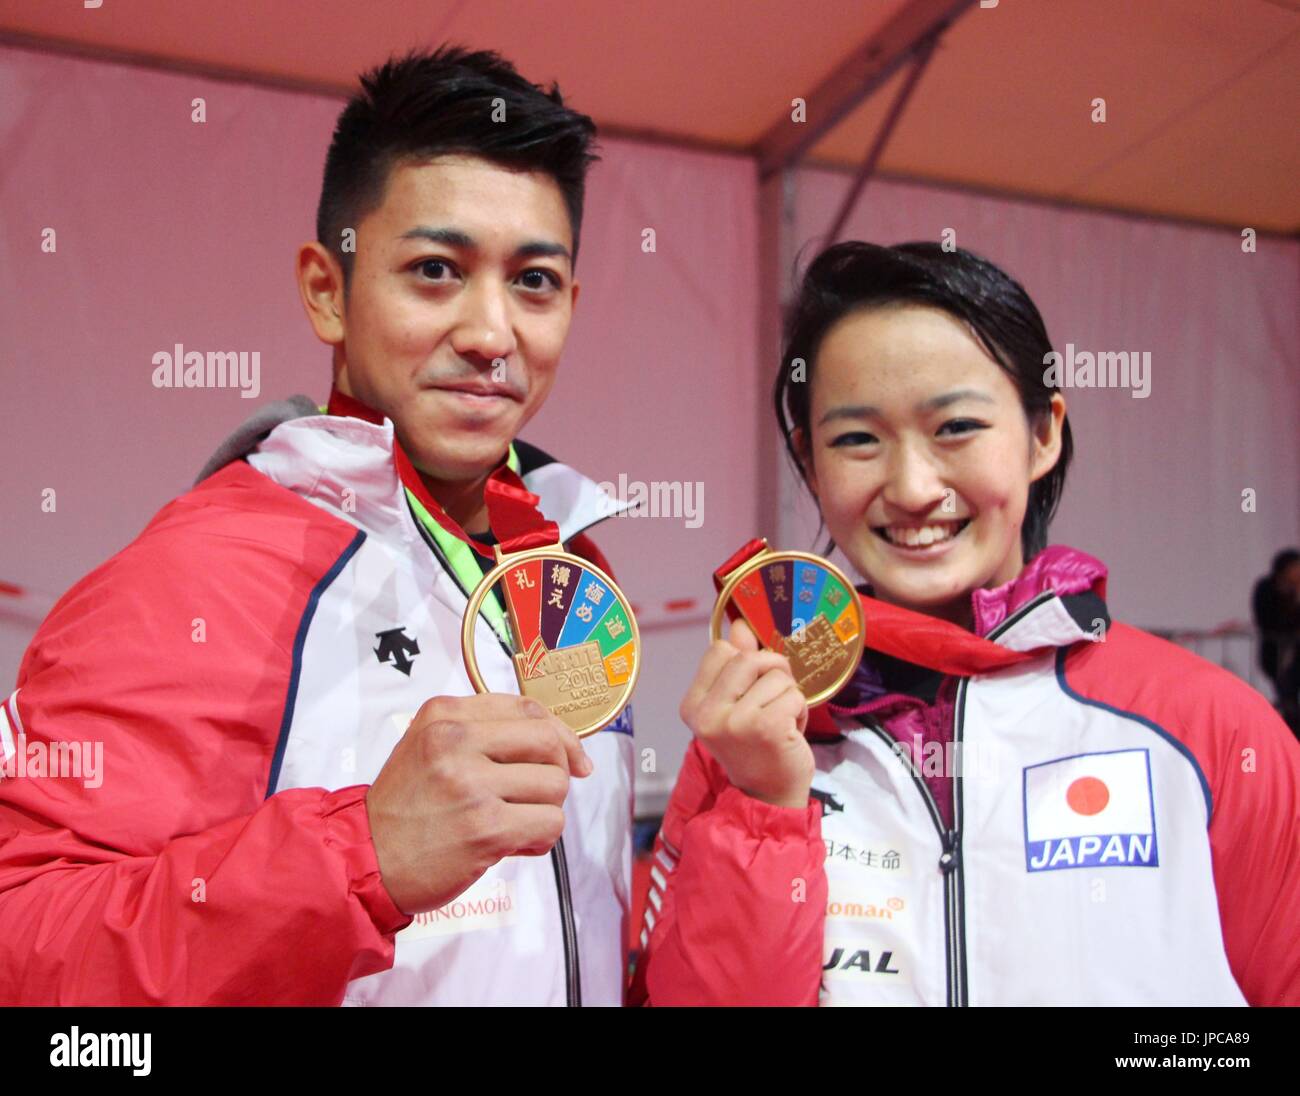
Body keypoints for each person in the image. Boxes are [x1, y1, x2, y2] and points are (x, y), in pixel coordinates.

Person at [0, 46, 634, 1006]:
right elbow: (27, 948)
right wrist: (359, 855)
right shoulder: (194, 574)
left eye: (534, 282)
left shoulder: (574, 566)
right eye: (435, 270)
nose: (493, 333)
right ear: (326, 290)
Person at [632, 241, 1300, 1006]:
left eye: (955, 427)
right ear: (808, 463)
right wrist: (762, 811)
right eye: (857, 440)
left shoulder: (1211, 731)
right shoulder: (751, 739)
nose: (913, 488)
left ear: (1043, 432)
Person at [1252, 549, 1300, 733]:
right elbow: (1267, 619)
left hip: (1293, 654)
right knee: (1286, 696)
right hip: (1276, 654)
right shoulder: (1267, 588)